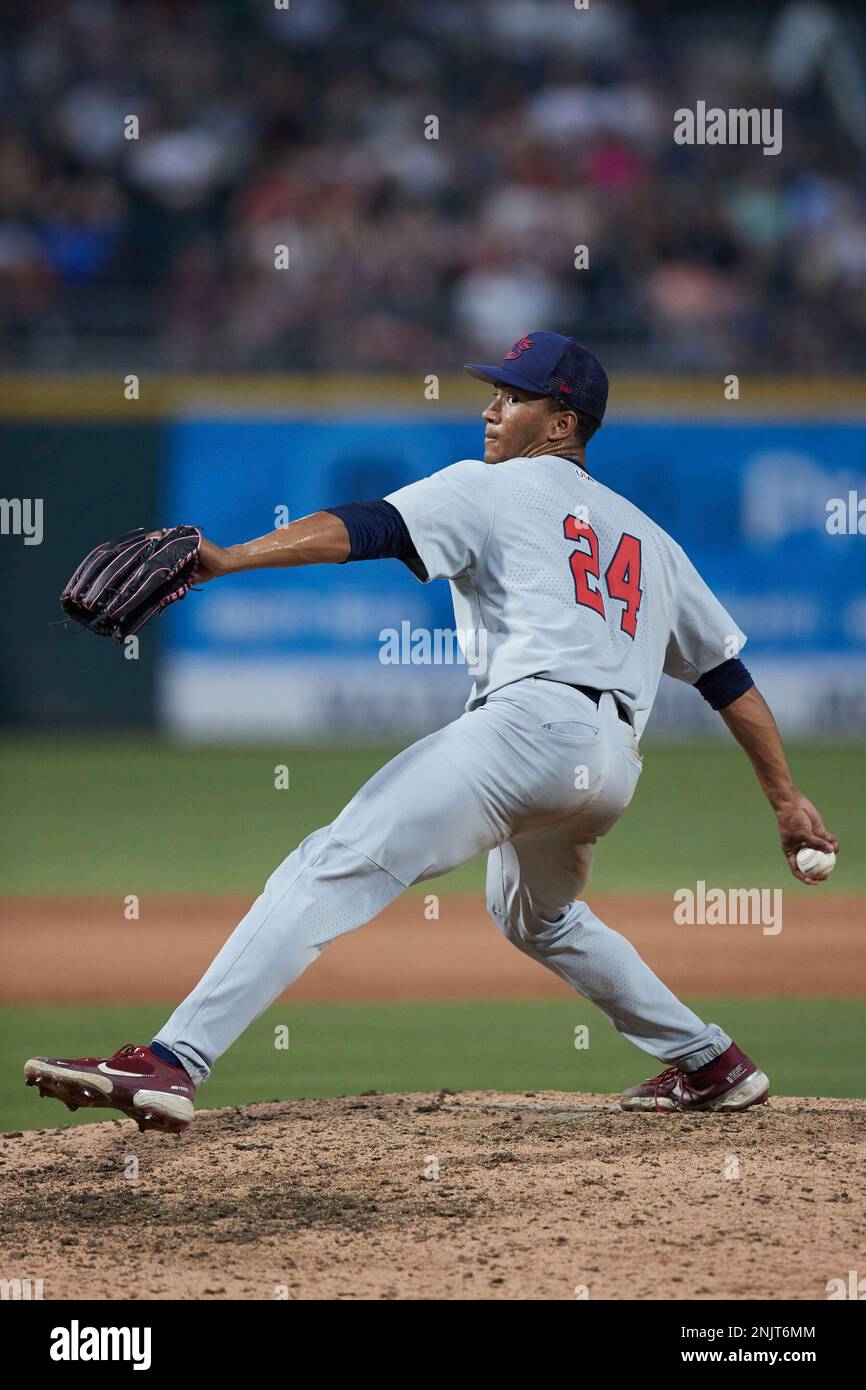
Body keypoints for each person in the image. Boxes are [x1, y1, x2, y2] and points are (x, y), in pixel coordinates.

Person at [24, 331, 838, 1129]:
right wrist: (787, 800)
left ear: (561, 424)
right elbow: (727, 677)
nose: (490, 410)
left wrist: (232, 557)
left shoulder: (494, 487)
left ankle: (172, 1062)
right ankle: (711, 1061)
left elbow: (370, 527)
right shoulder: (651, 539)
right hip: (610, 767)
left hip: (528, 730)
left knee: (333, 863)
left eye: (512, 397)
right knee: (538, 917)